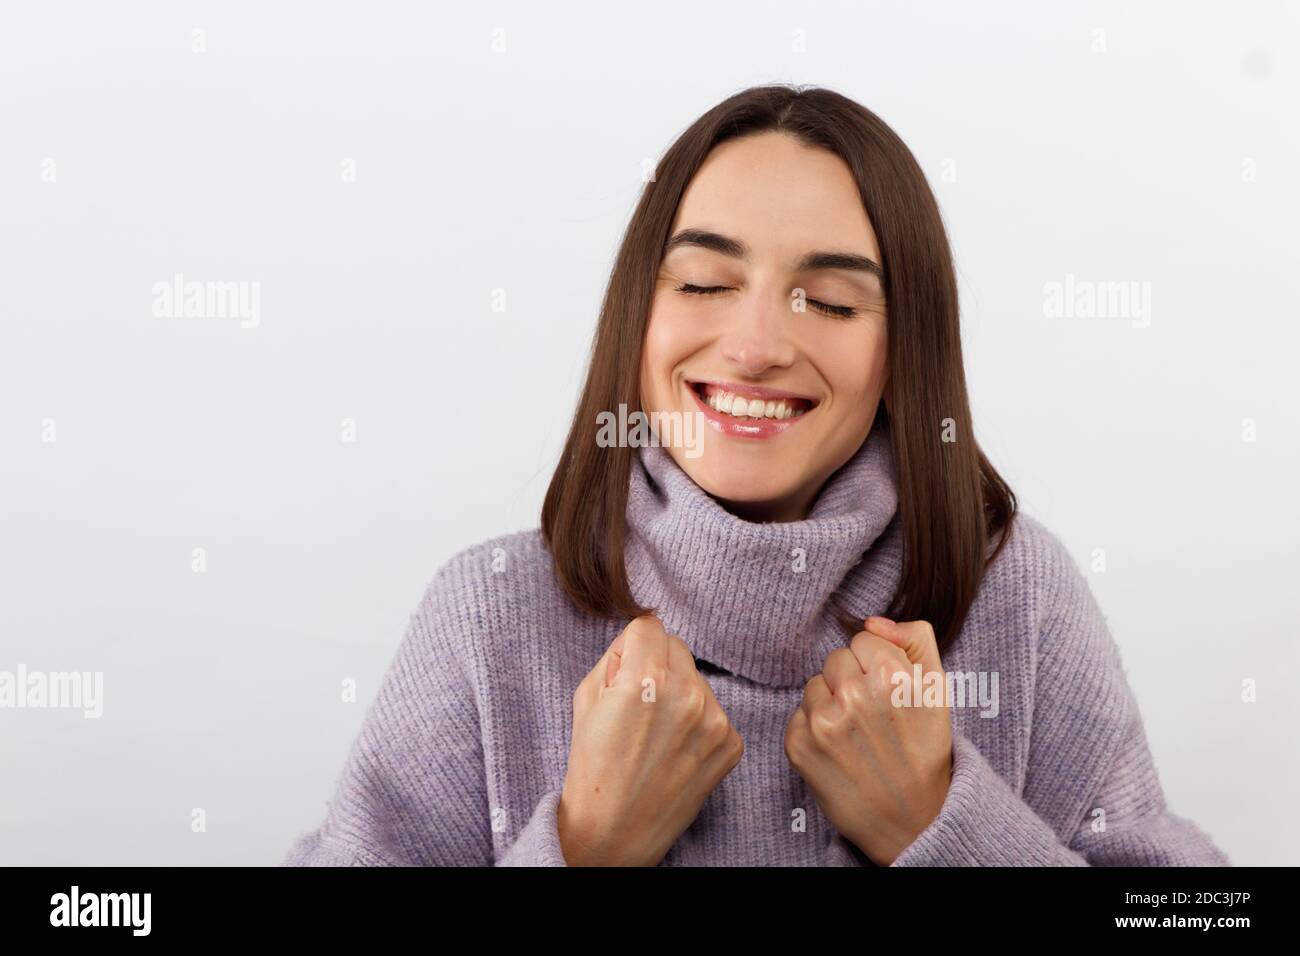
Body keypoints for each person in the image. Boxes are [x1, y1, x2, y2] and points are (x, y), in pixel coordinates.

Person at [282, 84, 1229, 866]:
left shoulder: (1018, 596)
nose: (758, 346)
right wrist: (587, 848)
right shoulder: (488, 614)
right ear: (638, 316)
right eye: (703, 284)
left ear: (904, 352)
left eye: (830, 300)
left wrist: (942, 827)